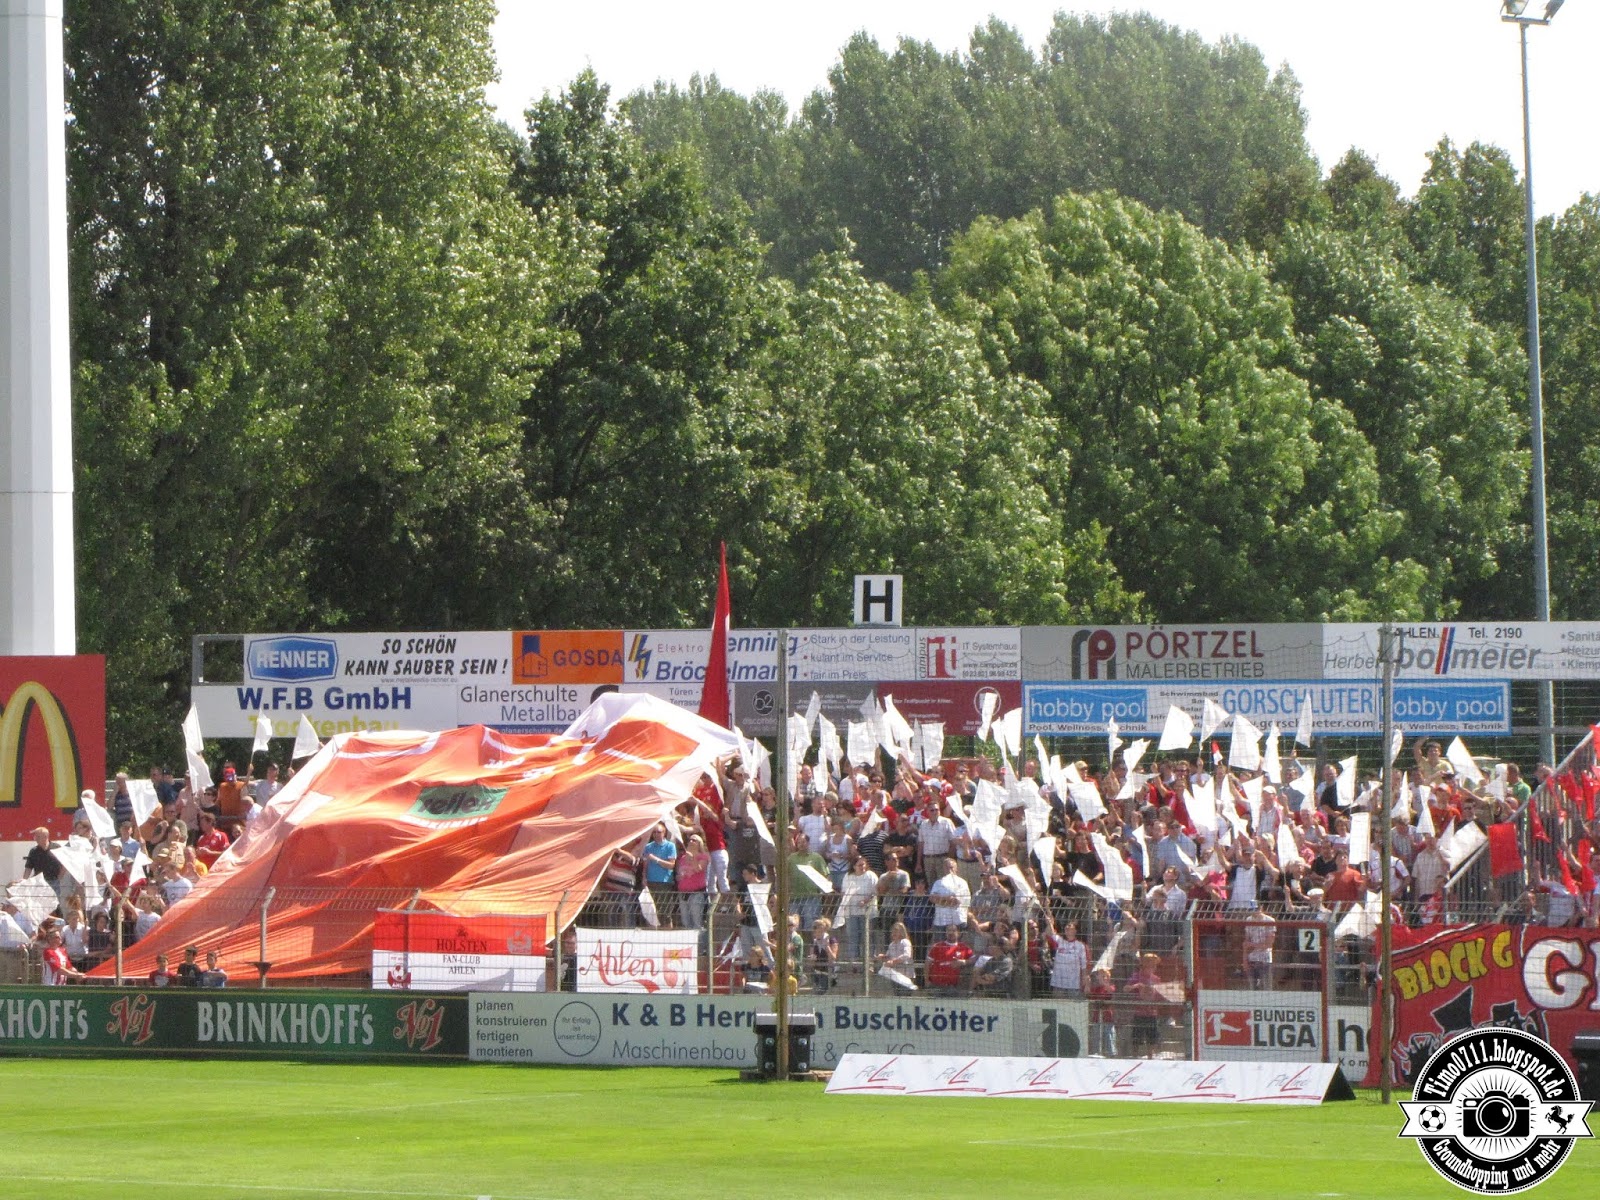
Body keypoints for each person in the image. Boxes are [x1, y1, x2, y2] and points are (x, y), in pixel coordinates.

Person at [836, 855, 878, 965]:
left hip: (868, 912)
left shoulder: (871, 876)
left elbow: (875, 891)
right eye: (859, 865)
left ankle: (869, 963)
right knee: (853, 937)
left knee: (867, 938)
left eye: (863, 864)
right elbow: (844, 892)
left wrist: (866, 900)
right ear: (854, 866)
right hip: (852, 912)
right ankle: (854, 963)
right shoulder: (848, 876)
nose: (862, 867)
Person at [640, 823, 678, 928]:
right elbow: (645, 864)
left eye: (659, 832)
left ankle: (667, 937)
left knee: (665, 912)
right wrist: (644, 877)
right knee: (650, 912)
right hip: (651, 882)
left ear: (664, 833)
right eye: (654, 832)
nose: (656, 834)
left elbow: (671, 865)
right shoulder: (648, 847)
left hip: (664, 882)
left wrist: (656, 859)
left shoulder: (670, 846)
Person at [924, 923, 973, 995]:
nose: (950, 933)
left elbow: (974, 959)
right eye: (948, 930)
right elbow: (927, 963)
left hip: (954, 986)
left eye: (953, 930)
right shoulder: (937, 946)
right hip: (936, 985)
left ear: (958, 933)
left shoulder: (963, 947)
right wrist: (926, 981)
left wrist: (963, 962)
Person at [675, 833, 709, 929]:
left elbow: (698, 869)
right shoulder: (682, 858)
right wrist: (679, 877)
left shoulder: (703, 857)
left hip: (696, 893)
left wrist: (692, 857)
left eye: (694, 840)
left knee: (696, 920)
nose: (691, 841)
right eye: (690, 840)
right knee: (685, 921)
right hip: (683, 892)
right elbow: (678, 873)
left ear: (699, 843)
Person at [1046, 916, 1088, 996]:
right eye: (1066, 926)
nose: (1067, 927)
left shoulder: (1080, 946)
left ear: (1075, 930)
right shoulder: (1060, 941)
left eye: (1070, 926)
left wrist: (1084, 981)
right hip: (1058, 983)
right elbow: (1051, 932)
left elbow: (1083, 966)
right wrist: (1050, 923)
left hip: (1073, 985)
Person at [808, 917, 838, 993]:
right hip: (817, 971)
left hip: (828, 971)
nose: (815, 934)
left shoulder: (831, 940)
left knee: (820, 991)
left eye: (817, 932)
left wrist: (827, 946)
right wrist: (812, 959)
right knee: (816, 991)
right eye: (814, 932)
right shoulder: (814, 941)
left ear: (823, 930)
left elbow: (833, 958)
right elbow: (812, 962)